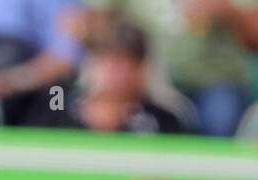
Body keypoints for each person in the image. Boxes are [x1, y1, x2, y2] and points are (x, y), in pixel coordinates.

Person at [70, 0, 258, 137]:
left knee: (220, 121)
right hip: (146, 73)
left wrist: (226, 9)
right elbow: (90, 21)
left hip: (215, 79)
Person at [22, 18, 189, 134]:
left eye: (131, 66)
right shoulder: (57, 102)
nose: (121, 76)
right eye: (113, 65)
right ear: (94, 62)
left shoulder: (160, 119)